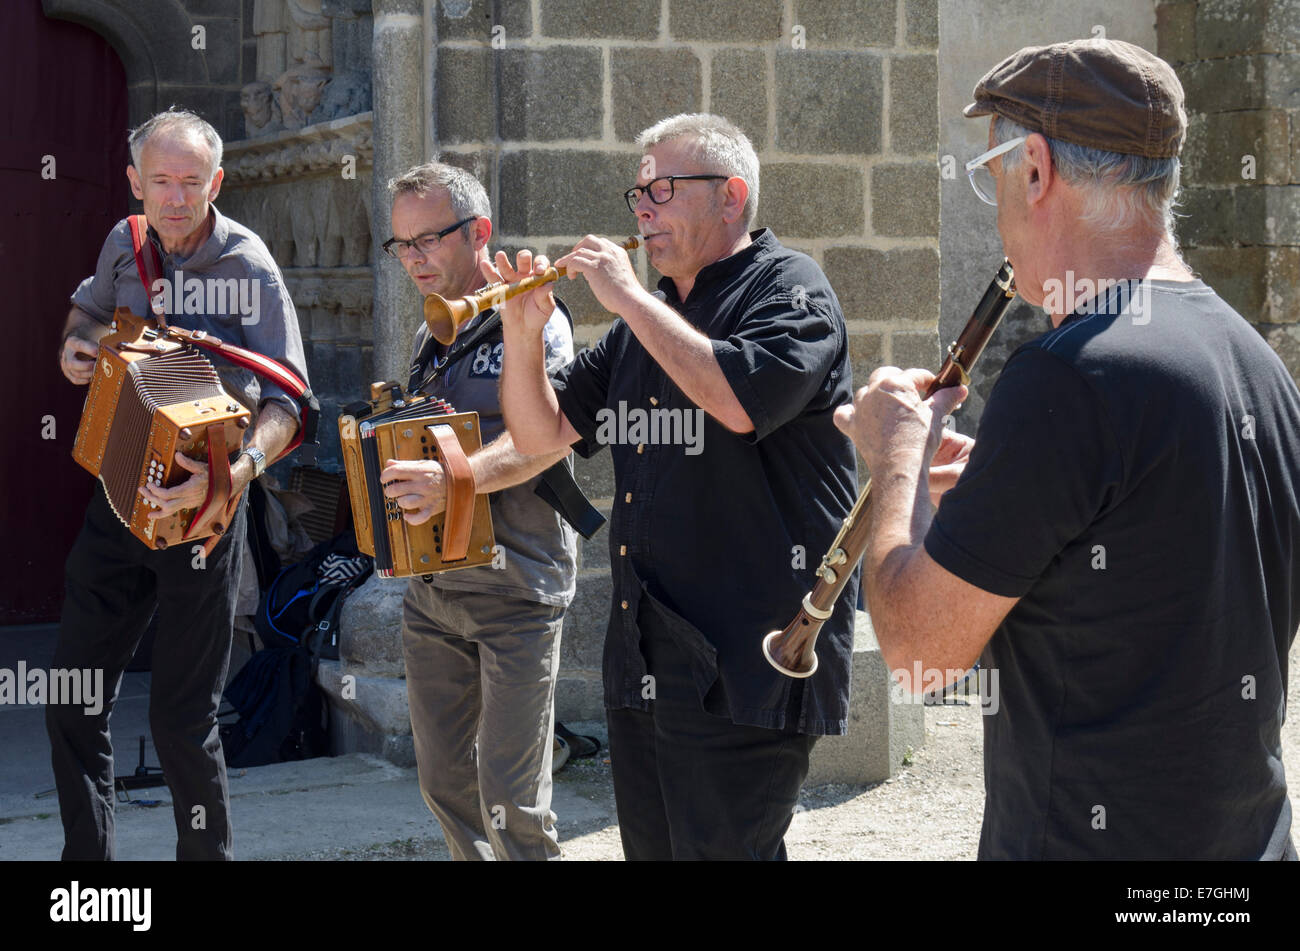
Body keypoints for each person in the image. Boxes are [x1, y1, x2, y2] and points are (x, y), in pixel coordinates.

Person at [835, 38, 1300, 859]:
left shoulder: (1069, 372)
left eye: (995, 177)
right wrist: (1007, 504)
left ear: (1038, 169)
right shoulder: (1255, 360)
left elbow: (913, 655)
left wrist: (897, 454)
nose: (1002, 210)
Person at [492, 114, 859, 860]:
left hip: (749, 651)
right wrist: (521, 333)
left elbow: (734, 400)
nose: (642, 209)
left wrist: (628, 296)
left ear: (731, 196)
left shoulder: (792, 289)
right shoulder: (646, 324)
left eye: (661, 189)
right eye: (637, 193)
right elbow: (539, 438)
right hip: (648, 650)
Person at [49, 108, 309, 860]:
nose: (173, 197)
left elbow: (288, 399)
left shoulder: (250, 264)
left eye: (190, 181)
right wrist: (75, 345)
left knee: (182, 719)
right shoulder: (123, 245)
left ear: (216, 182)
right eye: (159, 180)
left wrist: (232, 477)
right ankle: (87, 877)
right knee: (72, 702)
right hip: (116, 506)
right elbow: (87, 313)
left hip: (205, 517)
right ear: (135, 182)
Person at [378, 162, 580, 861]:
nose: (415, 259)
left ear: (479, 232)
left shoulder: (536, 316)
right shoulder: (426, 334)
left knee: (512, 803)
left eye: (428, 239)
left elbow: (540, 443)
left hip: (516, 588)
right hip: (433, 592)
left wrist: (451, 478)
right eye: (402, 244)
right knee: (444, 786)